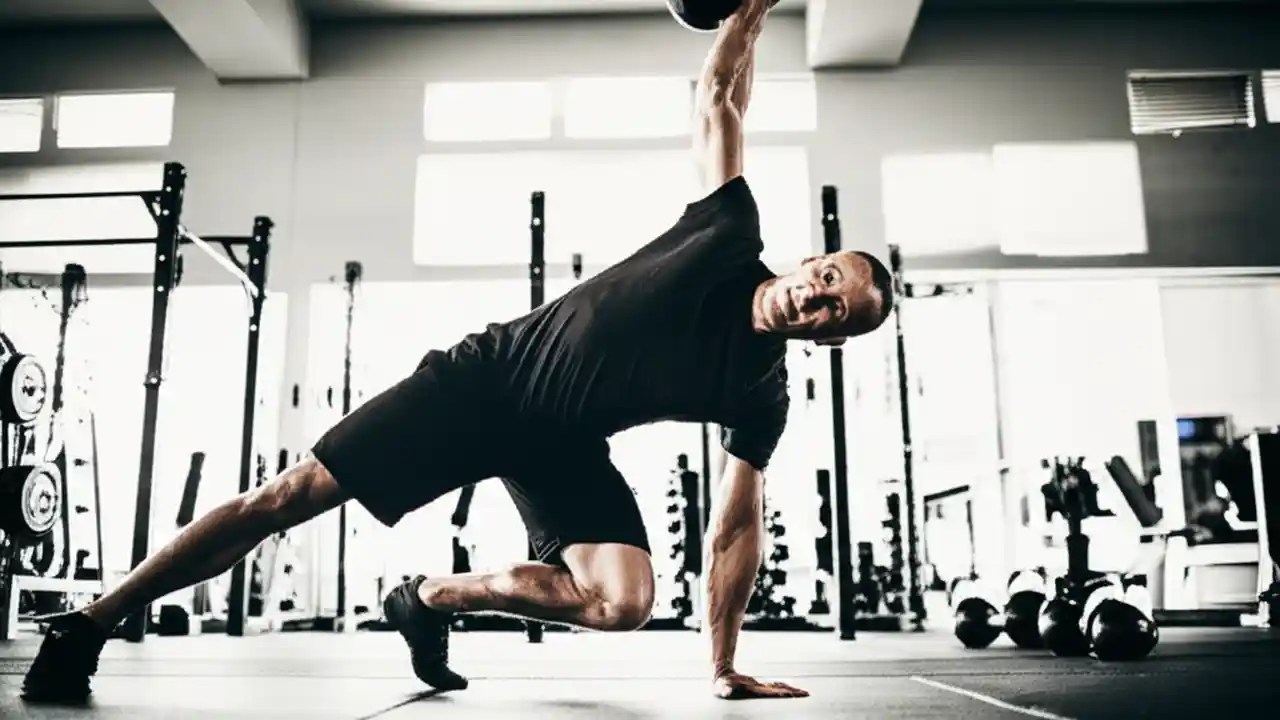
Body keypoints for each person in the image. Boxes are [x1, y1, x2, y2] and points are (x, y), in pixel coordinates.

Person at [22, 0, 892, 705]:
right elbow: (720, 100)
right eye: (826, 277)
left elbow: (736, 530)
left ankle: (429, 597)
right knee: (286, 497)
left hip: (562, 445)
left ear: (834, 340)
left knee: (624, 603)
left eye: (834, 313)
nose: (815, 298)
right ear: (812, 262)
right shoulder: (727, 233)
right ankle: (91, 621)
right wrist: (757, 8)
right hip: (482, 384)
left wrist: (721, 664)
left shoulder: (760, 393)